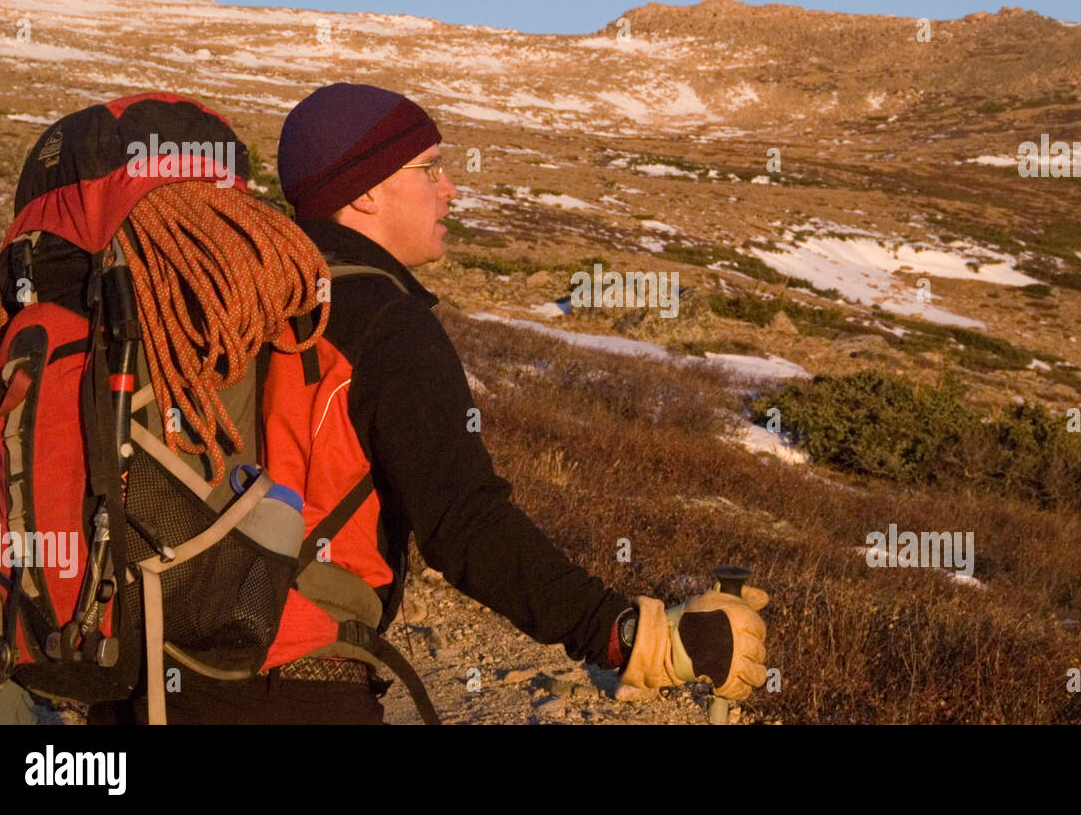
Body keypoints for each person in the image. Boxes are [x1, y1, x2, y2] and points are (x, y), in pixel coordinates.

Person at [266, 82, 769, 722]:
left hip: (155, 670)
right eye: (429, 169)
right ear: (364, 191)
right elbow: (466, 526)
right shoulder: (386, 323)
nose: (449, 189)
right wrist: (628, 634)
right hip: (298, 681)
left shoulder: (243, 296)